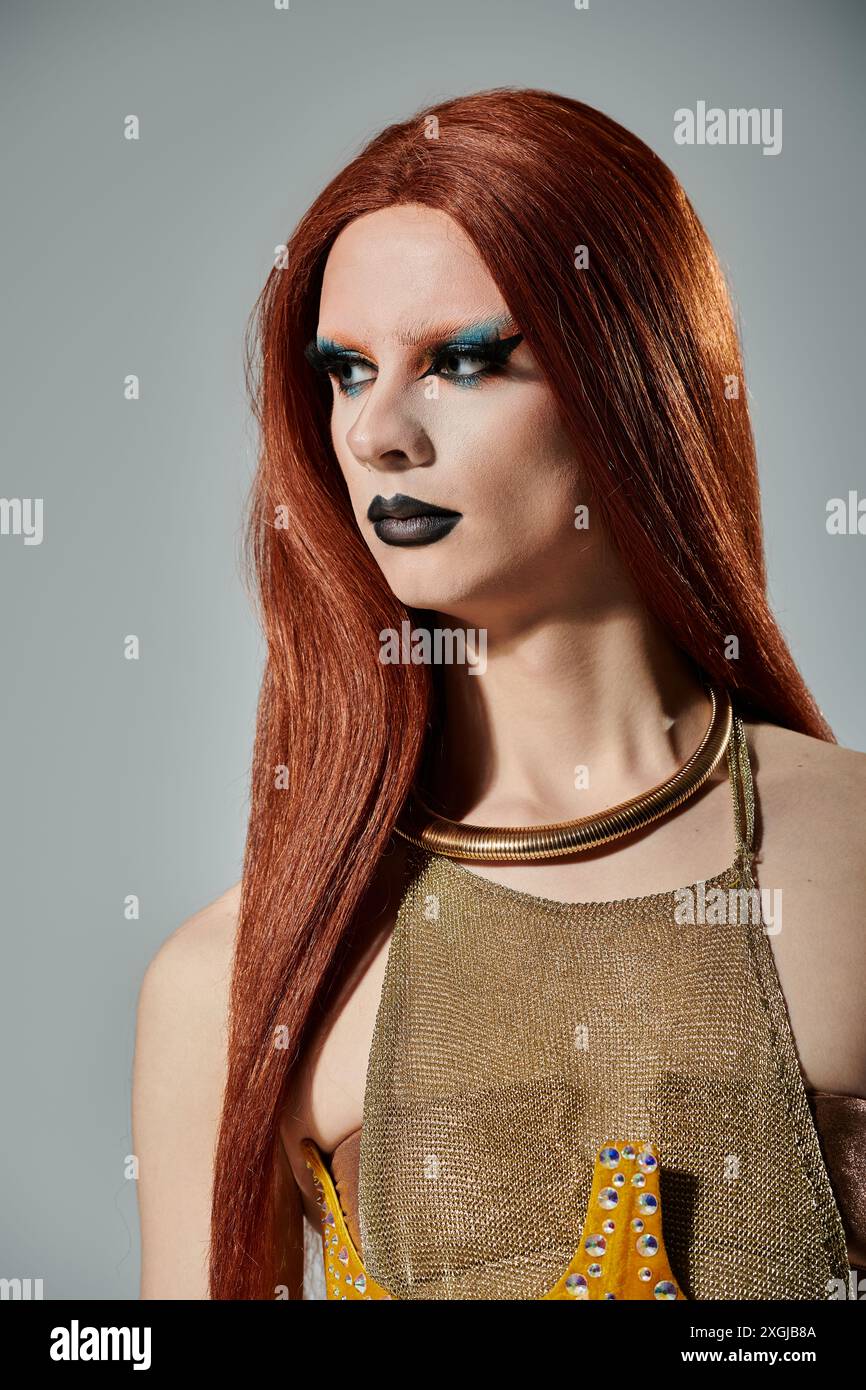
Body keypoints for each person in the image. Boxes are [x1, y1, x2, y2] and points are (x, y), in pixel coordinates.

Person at [132, 88, 866, 1300]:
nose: (376, 431)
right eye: (346, 370)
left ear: (638, 376)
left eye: (462, 361)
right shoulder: (230, 981)